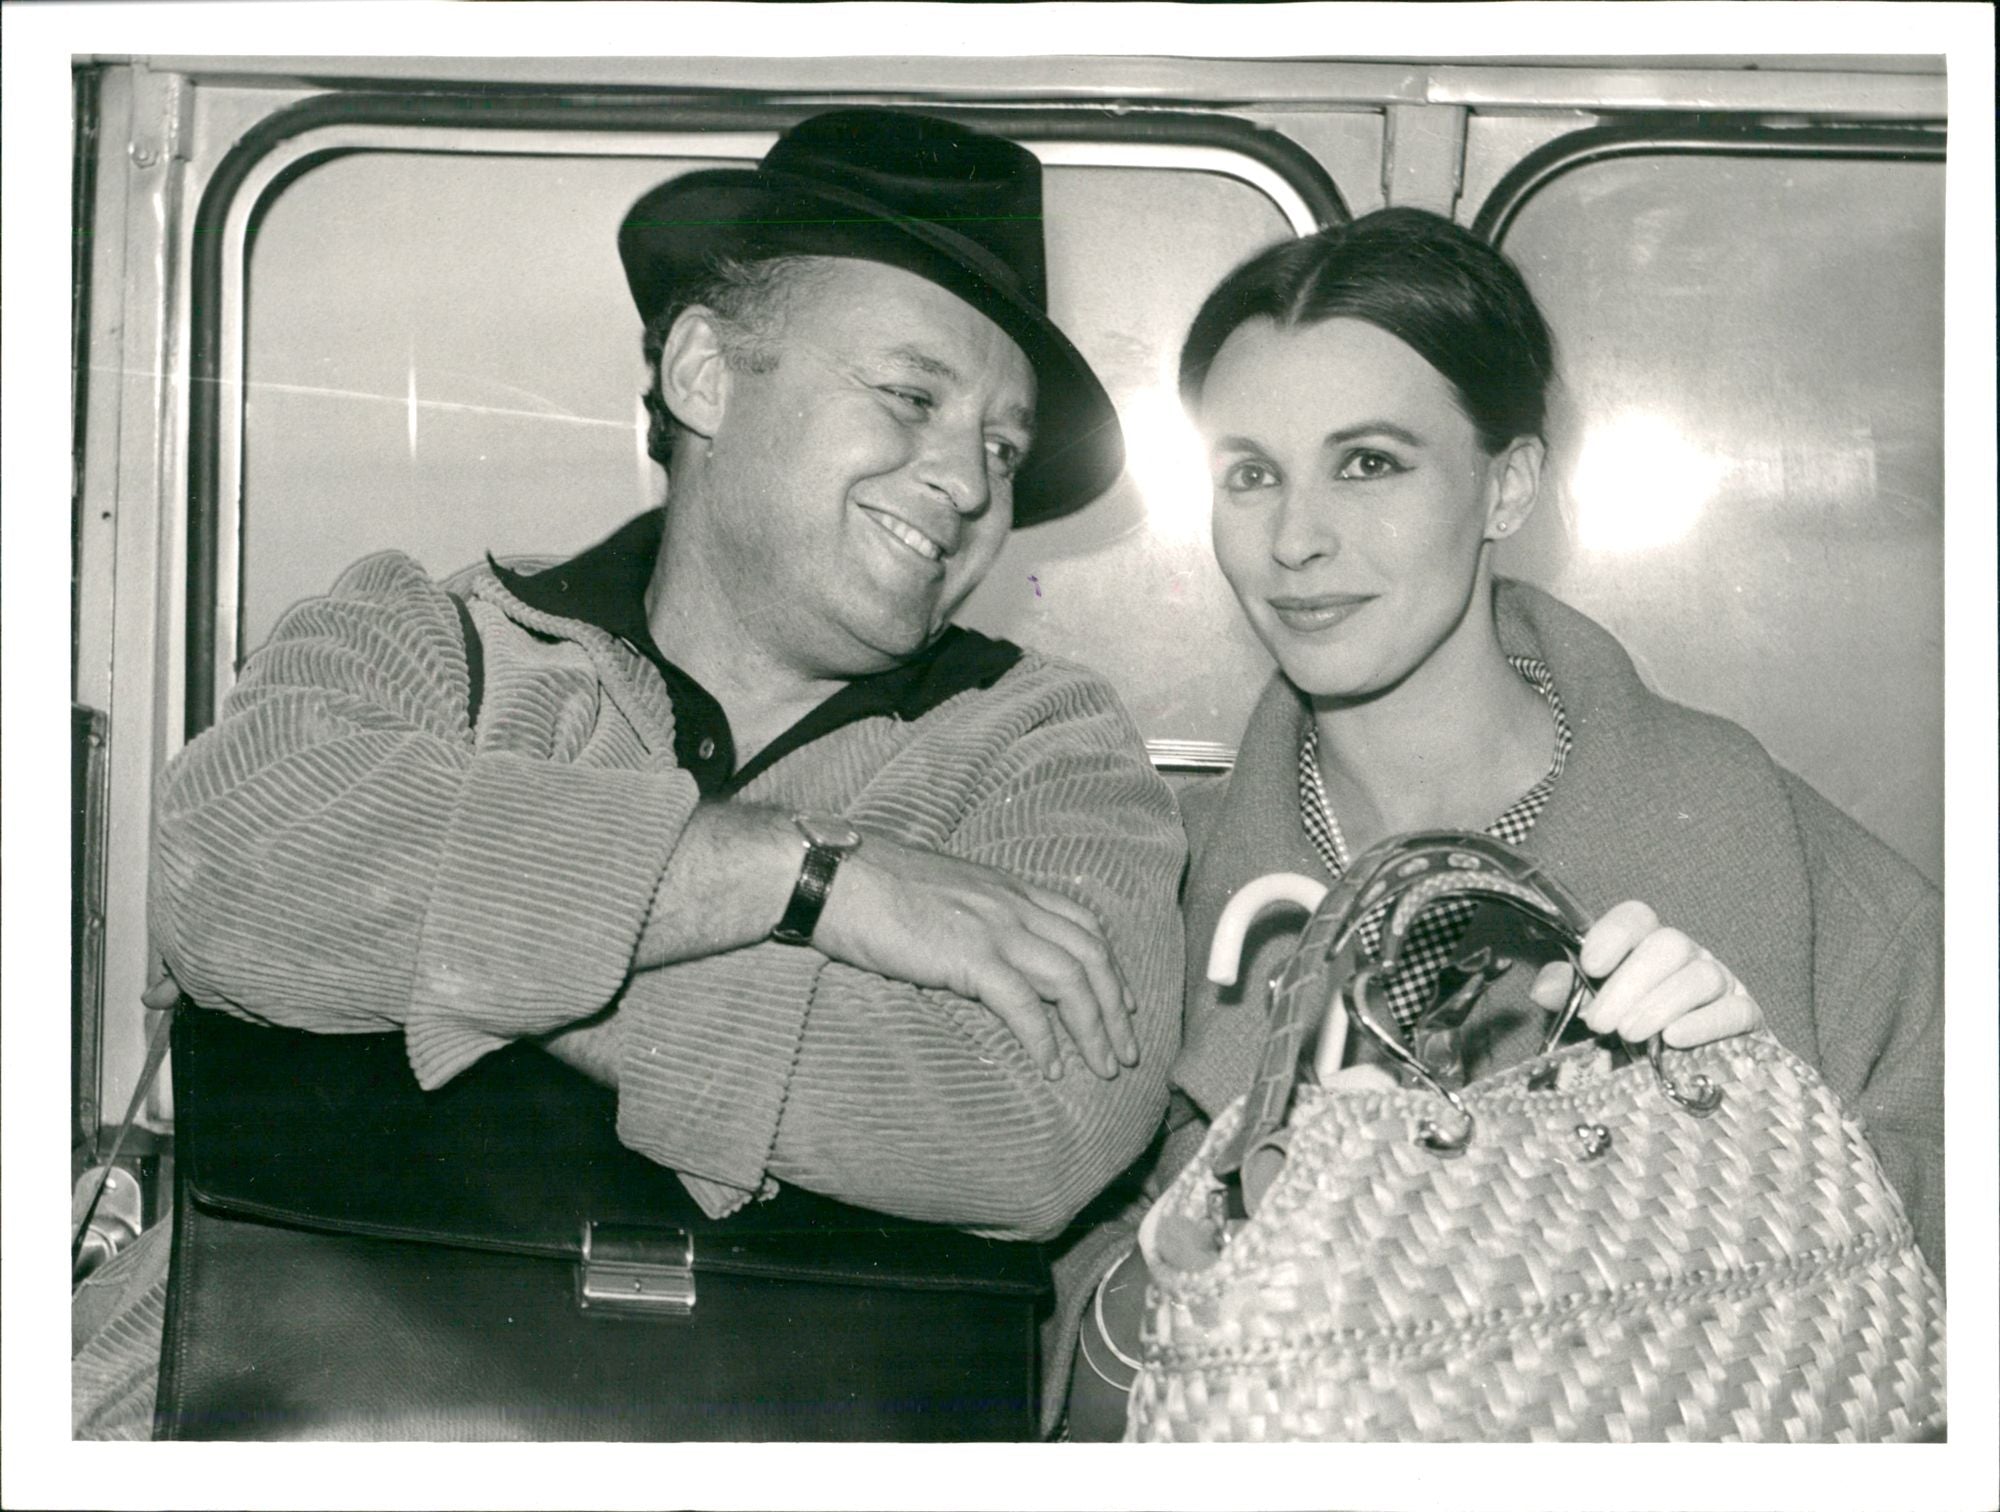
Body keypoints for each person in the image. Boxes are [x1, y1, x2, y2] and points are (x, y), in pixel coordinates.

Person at [77, 107, 1188, 1438]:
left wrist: (467, 954)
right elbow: (235, 871)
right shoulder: (426, 637)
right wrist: (803, 879)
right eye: (910, 396)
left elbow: (1037, 1120)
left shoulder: (1047, 747)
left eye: (1004, 450)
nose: (966, 483)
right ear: (707, 376)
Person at [1063, 209, 1942, 1439]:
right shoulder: (1158, 875)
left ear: (1507, 485)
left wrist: (1733, 1149)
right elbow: (1080, 1369)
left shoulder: (1751, 834)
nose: (1293, 539)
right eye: (1247, 474)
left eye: (1367, 462)